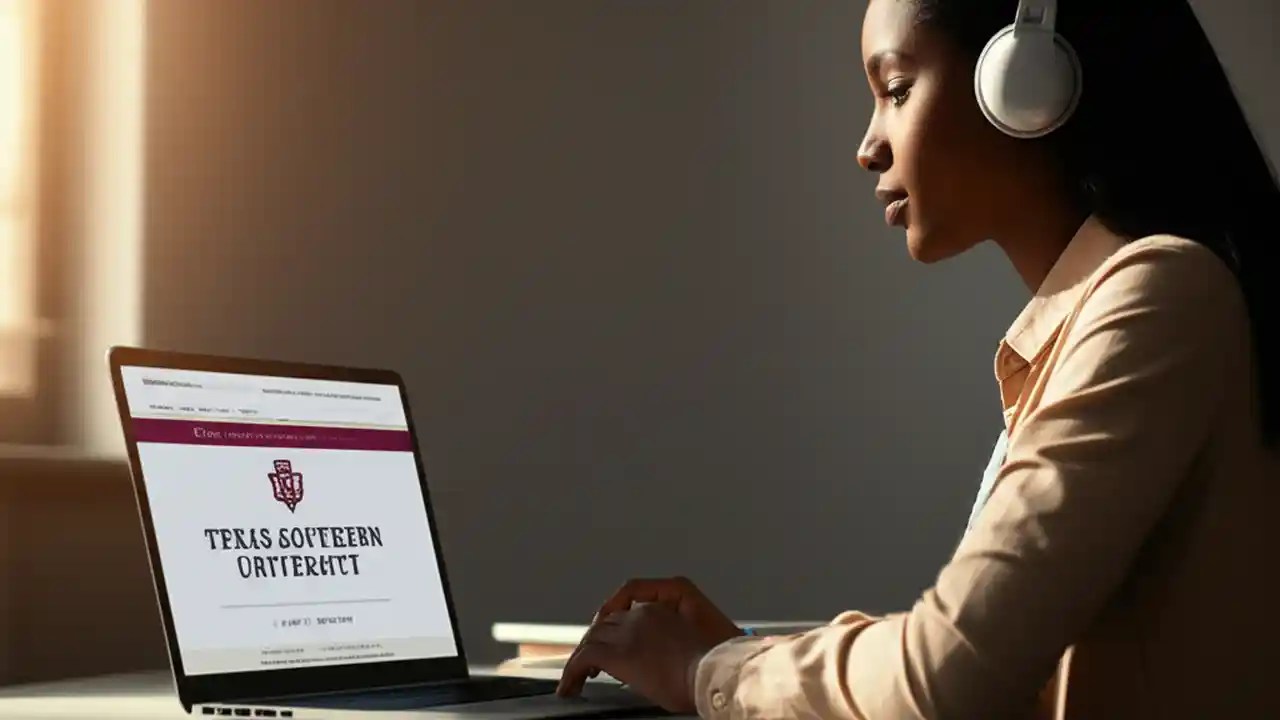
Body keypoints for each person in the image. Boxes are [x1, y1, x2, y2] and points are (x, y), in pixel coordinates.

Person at [555, 0, 1280, 718]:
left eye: (896, 90)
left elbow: (947, 677)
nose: (868, 146)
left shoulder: (1160, 293)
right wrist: (739, 653)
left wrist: (711, 670)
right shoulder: (1104, 318)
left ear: (1024, 79)